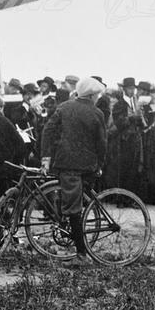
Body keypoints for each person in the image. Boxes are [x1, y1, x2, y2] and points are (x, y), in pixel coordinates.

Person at [40, 76, 108, 267]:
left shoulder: (64, 107)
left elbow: (47, 131)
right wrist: (100, 165)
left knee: (73, 209)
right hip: (87, 166)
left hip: (67, 164)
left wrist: (46, 159)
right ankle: (79, 245)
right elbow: (102, 144)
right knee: (75, 206)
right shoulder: (97, 113)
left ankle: (81, 254)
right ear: (93, 95)